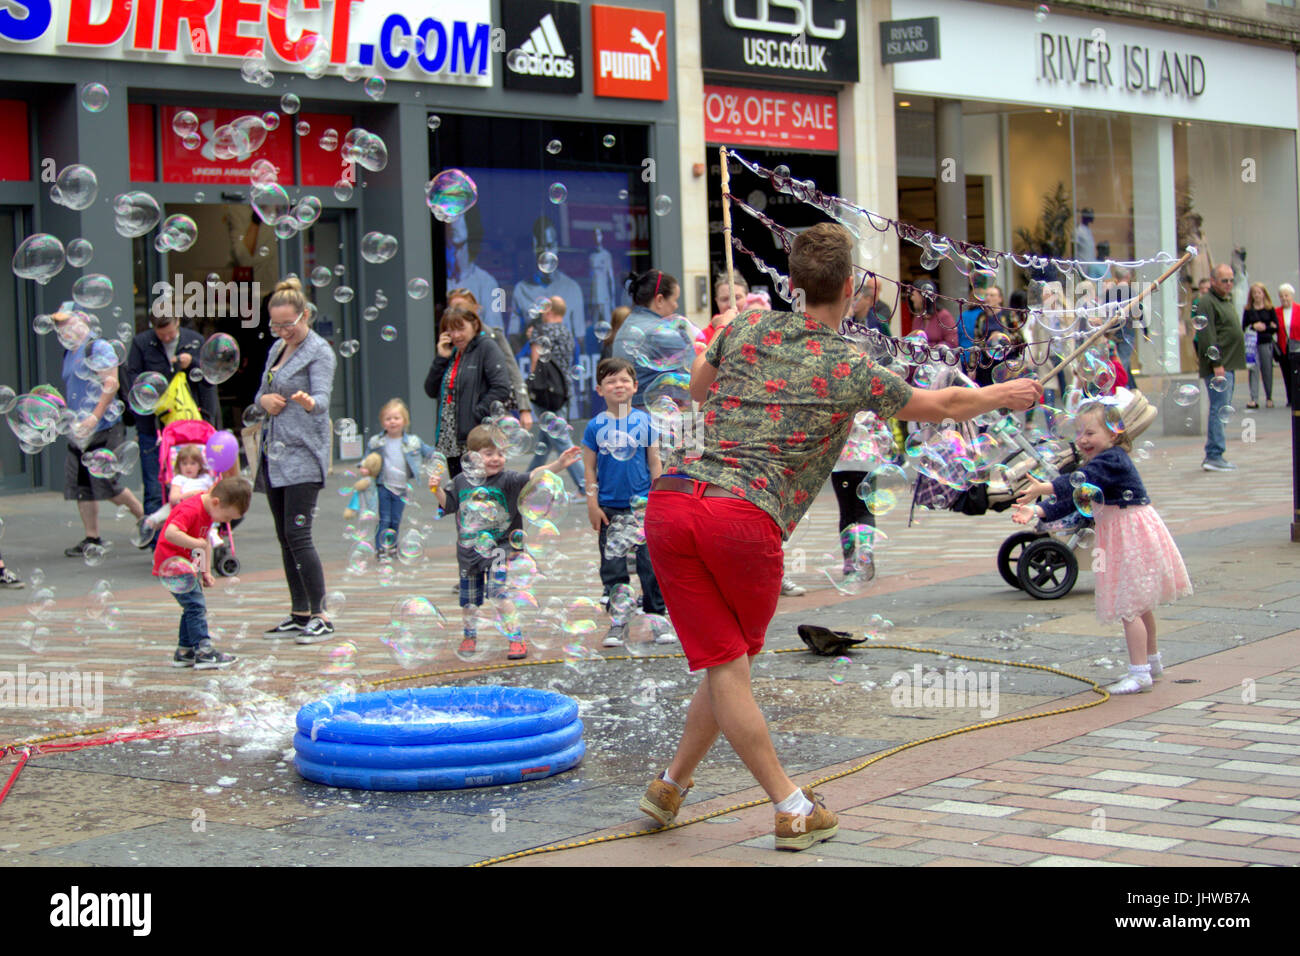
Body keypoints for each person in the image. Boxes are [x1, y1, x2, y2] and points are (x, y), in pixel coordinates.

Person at [638, 222, 1042, 850]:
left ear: (792, 282)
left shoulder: (746, 326)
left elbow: (696, 389)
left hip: (671, 507)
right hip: (741, 519)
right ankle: (792, 805)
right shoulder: (851, 366)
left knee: (723, 664)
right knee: (728, 667)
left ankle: (668, 788)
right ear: (851, 288)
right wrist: (1005, 393)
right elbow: (936, 408)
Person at [1014, 402, 1190, 694]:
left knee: (1129, 607)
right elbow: (1074, 500)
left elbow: (1075, 484)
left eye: (1091, 432)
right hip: (1125, 535)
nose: (1082, 439)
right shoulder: (1099, 463)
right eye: (1079, 432)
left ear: (1114, 434)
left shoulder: (1112, 460)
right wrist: (1038, 512)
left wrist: (1043, 488)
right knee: (1139, 605)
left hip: (1131, 536)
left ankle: (1140, 673)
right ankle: (1152, 663)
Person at [434, 424, 582, 661]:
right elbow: (448, 505)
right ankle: (469, 636)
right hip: (469, 552)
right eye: (489, 453)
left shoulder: (509, 479)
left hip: (501, 548)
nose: (496, 459)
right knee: (469, 602)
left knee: (498, 591)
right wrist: (435, 489)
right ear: (472, 456)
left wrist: (558, 465)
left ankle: (515, 638)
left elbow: (535, 474)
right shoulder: (461, 481)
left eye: (500, 453)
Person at [254, 277, 338, 643]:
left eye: (289, 324)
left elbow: (322, 399)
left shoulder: (319, 352)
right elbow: (262, 391)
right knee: (284, 535)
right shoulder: (277, 349)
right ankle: (299, 611)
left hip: (304, 450)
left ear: (305, 315)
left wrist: (307, 402)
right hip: (275, 451)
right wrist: (263, 402)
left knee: (298, 533)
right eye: (276, 325)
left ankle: (321, 614)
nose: (283, 331)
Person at [582, 357, 668, 648]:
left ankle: (657, 616)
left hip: (643, 505)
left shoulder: (645, 421)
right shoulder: (594, 427)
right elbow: (589, 469)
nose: (617, 385)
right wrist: (592, 505)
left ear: (634, 387)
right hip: (609, 507)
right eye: (610, 381)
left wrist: (659, 498)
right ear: (599, 389)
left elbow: (654, 461)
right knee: (613, 566)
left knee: (651, 565)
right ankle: (618, 622)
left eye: (623, 380)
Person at [52, 311, 151, 557]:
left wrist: (94, 415)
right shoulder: (70, 351)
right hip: (79, 429)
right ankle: (92, 538)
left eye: (66, 323)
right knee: (81, 485)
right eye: (58, 325)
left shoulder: (98, 347)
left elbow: (112, 383)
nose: (62, 329)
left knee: (106, 482)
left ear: (82, 321)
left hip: (104, 425)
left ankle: (146, 521)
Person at [124, 313, 219, 522]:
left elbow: (209, 379)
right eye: (161, 334)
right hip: (154, 426)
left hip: (191, 427)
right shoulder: (142, 343)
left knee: (197, 480)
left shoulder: (194, 340)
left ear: (177, 322)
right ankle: (157, 544)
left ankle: (192, 529)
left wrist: (192, 363)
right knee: (154, 486)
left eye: (170, 333)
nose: (166, 338)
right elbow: (133, 379)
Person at [155, 475, 252, 669]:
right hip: (172, 564)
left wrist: (206, 570)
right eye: (227, 518)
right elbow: (170, 533)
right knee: (196, 607)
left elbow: (205, 541)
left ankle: (185, 651)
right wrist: (195, 543)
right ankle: (204, 651)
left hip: (185, 565)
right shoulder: (191, 509)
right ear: (216, 502)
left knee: (191, 607)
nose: (226, 522)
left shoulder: (209, 510)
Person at [424, 305, 514, 479]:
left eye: (460, 328)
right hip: (449, 438)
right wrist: (441, 358)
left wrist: (476, 414)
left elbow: (501, 387)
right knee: (460, 491)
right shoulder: (452, 353)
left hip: (475, 437)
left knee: (479, 491)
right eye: (450, 330)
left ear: (474, 325)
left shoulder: (487, 347)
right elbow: (430, 390)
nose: (456, 335)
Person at [449, 288, 534, 429]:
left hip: (493, 413)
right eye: (453, 308)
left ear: (475, 309)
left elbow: (513, 371)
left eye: (462, 308)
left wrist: (524, 409)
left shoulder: (493, 336)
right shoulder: (449, 342)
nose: (457, 313)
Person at [527, 296, 585, 493]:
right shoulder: (567, 332)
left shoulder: (541, 331)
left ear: (549, 311)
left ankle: (585, 485)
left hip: (545, 391)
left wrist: (531, 384)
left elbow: (536, 361)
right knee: (545, 439)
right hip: (562, 390)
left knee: (561, 440)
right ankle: (528, 479)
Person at [1194, 265, 1246, 471]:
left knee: (1222, 408)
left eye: (1231, 280)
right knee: (1219, 408)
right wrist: (1217, 364)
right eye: (1224, 280)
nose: (1229, 284)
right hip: (1219, 366)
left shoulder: (1224, 300)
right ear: (1213, 281)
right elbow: (1208, 336)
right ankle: (1214, 455)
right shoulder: (1207, 302)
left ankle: (1216, 453)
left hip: (1228, 364)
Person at [509, 216, 586, 351]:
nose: (546, 253)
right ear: (534, 249)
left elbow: (579, 339)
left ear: (556, 247)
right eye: (540, 247)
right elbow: (513, 337)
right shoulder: (521, 290)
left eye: (550, 246)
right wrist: (527, 336)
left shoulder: (572, 288)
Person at [372, 398, 435, 558]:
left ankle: (391, 546)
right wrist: (365, 469)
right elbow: (368, 459)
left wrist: (440, 454)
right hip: (384, 485)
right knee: (384, 518)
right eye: (388, 418)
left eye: (396, 418)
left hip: (401, 487)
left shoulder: (413, 442)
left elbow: (429, 452)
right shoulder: (377, 442)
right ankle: (381, 548)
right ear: (382, 422)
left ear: (405, 421)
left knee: (395, 519)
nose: (392, 422)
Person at [611, 269, 681, 408]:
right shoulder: (661, 332)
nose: (676, 306)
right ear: (660, 300)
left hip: (628, 413)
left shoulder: (627, 325)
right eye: (675, 300)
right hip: (657, 416)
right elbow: (696, 372)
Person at [445, 207, 506, 333]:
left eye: (459, 214)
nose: (453, 221)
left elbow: (497, 331)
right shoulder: (439, 280)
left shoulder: (488, 282)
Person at [144, 444, 215, 530]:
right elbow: (173, 498)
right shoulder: (179, 479)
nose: (188, 467)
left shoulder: (205, 478)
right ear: (179, 466)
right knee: (170, 508)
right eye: (184, 464)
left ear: (200, 465)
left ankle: (213, 535)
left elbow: (214, 494)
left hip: (202, 509)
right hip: (182, 507)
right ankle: (154, 520)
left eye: (193, 463)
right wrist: (189, 495)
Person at [1242, 283, 1278, 409]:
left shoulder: (1269, 308)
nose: (1257, 295)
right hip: (1252, 344)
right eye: (1254, 293)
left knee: (1267, 370)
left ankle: (1269, 397)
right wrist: (1253, 326)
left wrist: (1264, 328)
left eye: (1259, 292)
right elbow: (1244, 327)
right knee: (1253, 370)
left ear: (1264, 294)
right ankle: (1254, 398)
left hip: (1265, 342)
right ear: (1251, 295)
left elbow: (1275, 327)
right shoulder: (1248, 310)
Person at [907, 278, 958, 350]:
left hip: (940, 359)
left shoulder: (944, 316)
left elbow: (952, 343)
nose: (912, 298)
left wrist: (928, 348)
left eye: (914, 295)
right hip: (922, 360)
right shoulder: (917, 318)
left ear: (923, 296)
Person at [1275, 283, 1300, 407]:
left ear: (1292, 296)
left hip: (1297, 347)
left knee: (1298, 374)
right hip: (1284, 348)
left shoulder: (1299, 309)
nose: (1284, 298)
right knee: (1287, 374)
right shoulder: (1276, 312)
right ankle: (1290, 399)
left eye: (1286, 295)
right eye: (1281, 296)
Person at [344, 451, 381, 520]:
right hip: (366, 502)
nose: (361, 470)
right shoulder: (369, 479)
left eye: (364, 468)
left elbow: (358, 486)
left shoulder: (368, 480)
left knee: (366, 515)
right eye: (360, 468)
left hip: (367, 504)